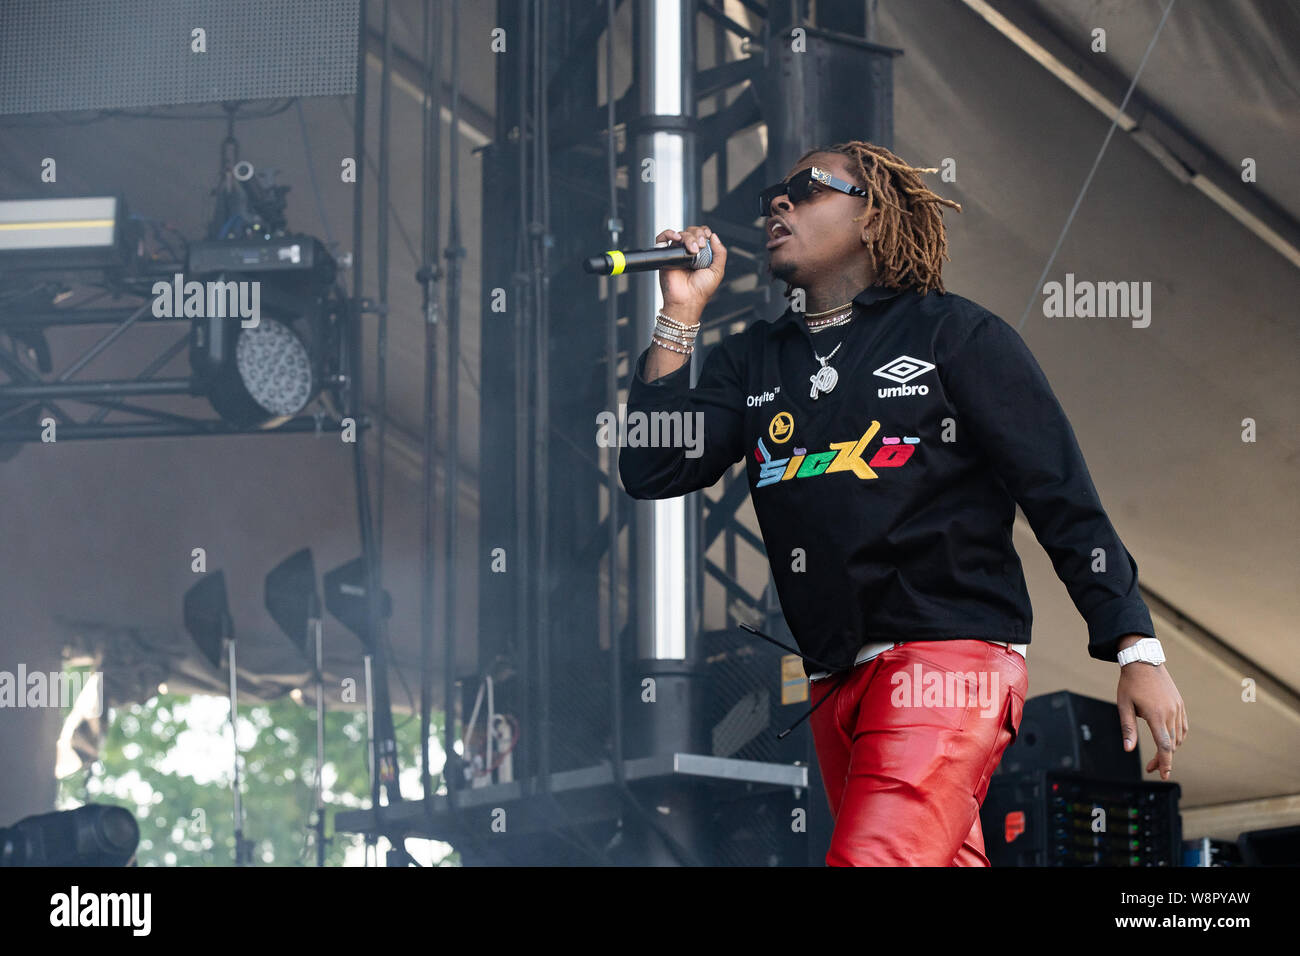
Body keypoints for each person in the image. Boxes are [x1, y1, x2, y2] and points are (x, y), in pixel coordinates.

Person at [617, 140, 1188, 866]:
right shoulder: (753, 358)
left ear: (874, 218)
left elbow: (1061, 494)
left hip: (946, 661)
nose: (777, 204)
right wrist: (680, 317)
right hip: (834, 678)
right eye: (770, 197)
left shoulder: (955, 334)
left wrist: (1135, 646)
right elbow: (653, 464)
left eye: (805, 188)